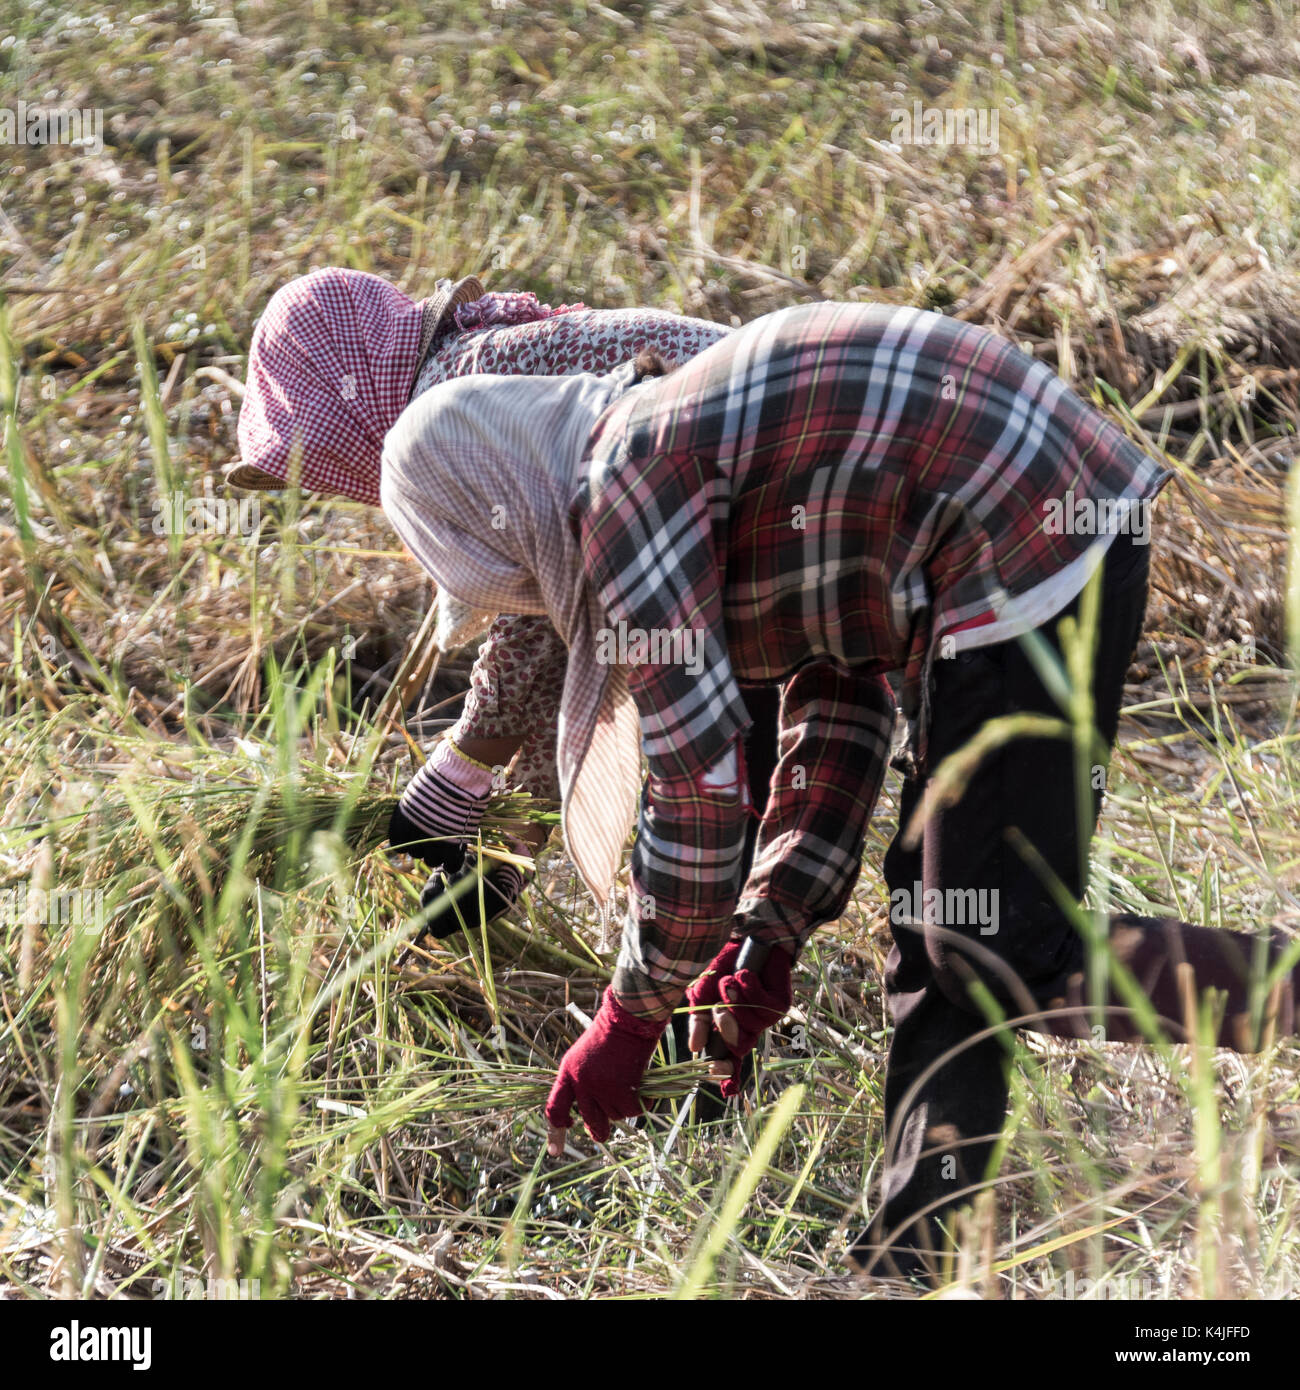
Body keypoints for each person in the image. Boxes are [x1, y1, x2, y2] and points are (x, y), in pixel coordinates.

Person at [378, 298, 1300, 1276]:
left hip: (1027, 531)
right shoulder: (661, 453)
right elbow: (840, 698)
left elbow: (699, 790)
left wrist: (629, 1016)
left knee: (988, 941)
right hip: (1030, 527)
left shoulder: (625, 486)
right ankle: (907, 1262)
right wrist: (767, 926)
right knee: (945, 926)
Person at [231, 265, 774, 927]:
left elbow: (545, 626)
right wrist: (510, 854)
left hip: (744, 503)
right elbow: (568, 620)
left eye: (320, 455)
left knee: (713, 803)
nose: (336, 478)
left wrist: (462, 769)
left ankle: (691, 984)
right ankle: (707, 978)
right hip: (753, 514)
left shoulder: (451, 405)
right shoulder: (481, 364)